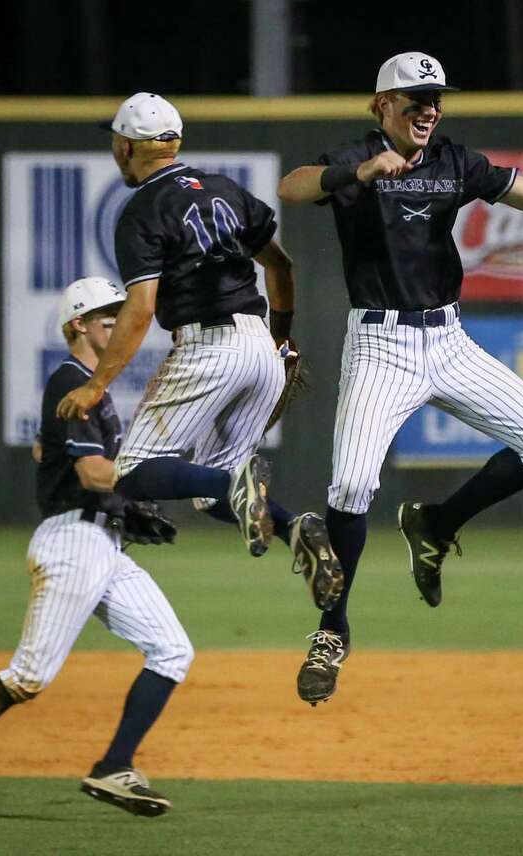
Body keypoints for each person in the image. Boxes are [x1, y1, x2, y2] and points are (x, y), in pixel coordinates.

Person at [278, 52, 523, 705]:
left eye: (436, 99)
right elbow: (293, 185)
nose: (428, 109)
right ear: (382, 105)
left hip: (449, 339)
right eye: (414, 98)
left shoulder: (456, 161)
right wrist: (360, 171)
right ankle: (332, 631)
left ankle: (435, 523)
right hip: (380, 344)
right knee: (349, 484)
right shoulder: (356, 156)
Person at [0, 278, 193, 821]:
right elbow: (92, 475)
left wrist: (127, 509)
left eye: (119, 313)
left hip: (103, 543)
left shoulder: (95, 388)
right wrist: (168, 480)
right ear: (77, 326)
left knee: (172, 650)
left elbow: (76, 464)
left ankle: (114, 766)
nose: (116, 323)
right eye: (105, 316)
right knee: (28, 677)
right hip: (73, 542)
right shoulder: (71, 381)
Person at [56, 92, 342, 612]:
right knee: (212, 495)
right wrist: (279, 338)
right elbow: (280, 266)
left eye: (116, 140)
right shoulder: (225, 189)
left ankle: (239, 481)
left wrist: (96, 385)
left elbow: (139, 310)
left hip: (208, 346)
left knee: (136, 469)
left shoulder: (140, 210)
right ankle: (295, 528)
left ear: (126, 146)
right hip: (260, 345)